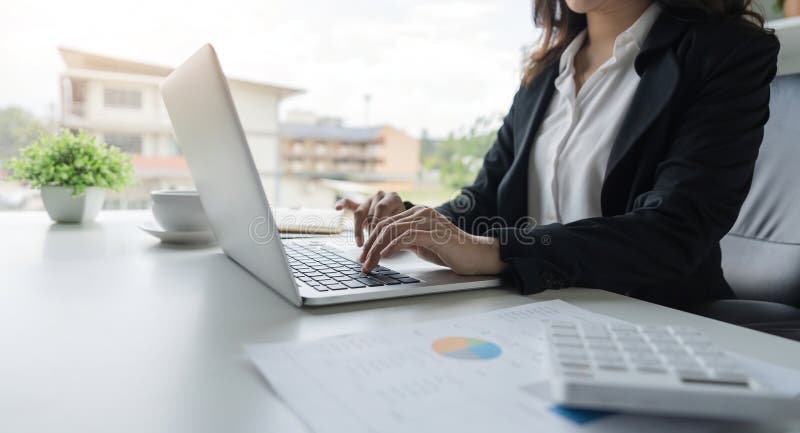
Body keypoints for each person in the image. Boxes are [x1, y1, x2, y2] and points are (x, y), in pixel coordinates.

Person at [335, 0, 780, 310]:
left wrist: (497, 251)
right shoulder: (547, 71)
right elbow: (486, 199)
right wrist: (409, 223)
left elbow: (675, 228)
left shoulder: (723, 54)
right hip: (532, 311)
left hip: (655, 318)